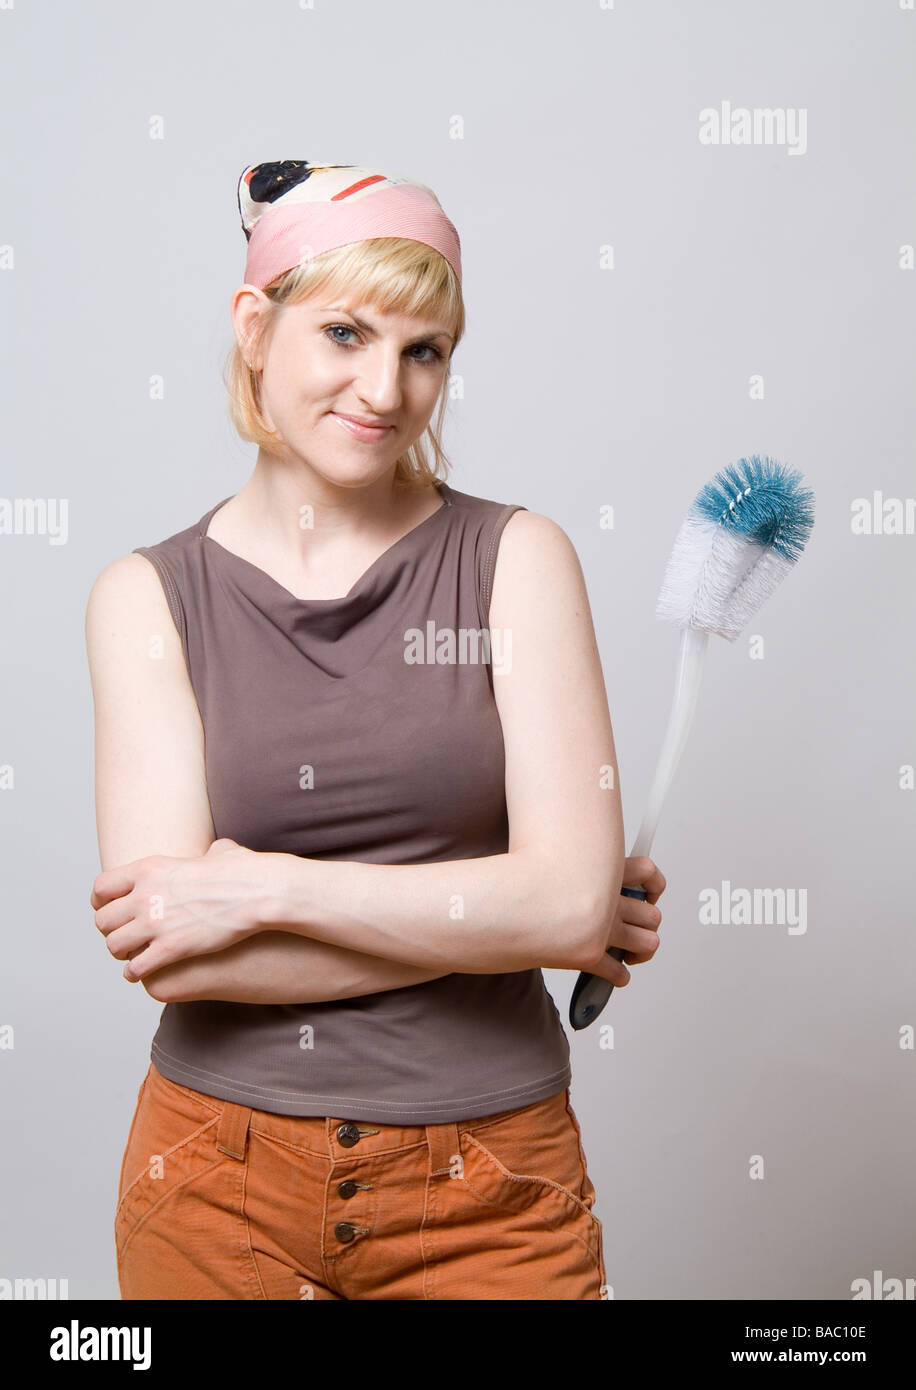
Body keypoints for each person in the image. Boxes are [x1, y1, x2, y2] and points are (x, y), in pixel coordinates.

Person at [85, 158, 666, 1301]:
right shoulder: (145, 597)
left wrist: (263, 887)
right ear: (256, 327)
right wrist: (514, 911)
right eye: (343, 333)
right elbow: (178, 954)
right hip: (212, 1177)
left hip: (492, 1180)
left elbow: (566, 906)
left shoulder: (518, 560)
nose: (384, 389)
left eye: (423, 350)